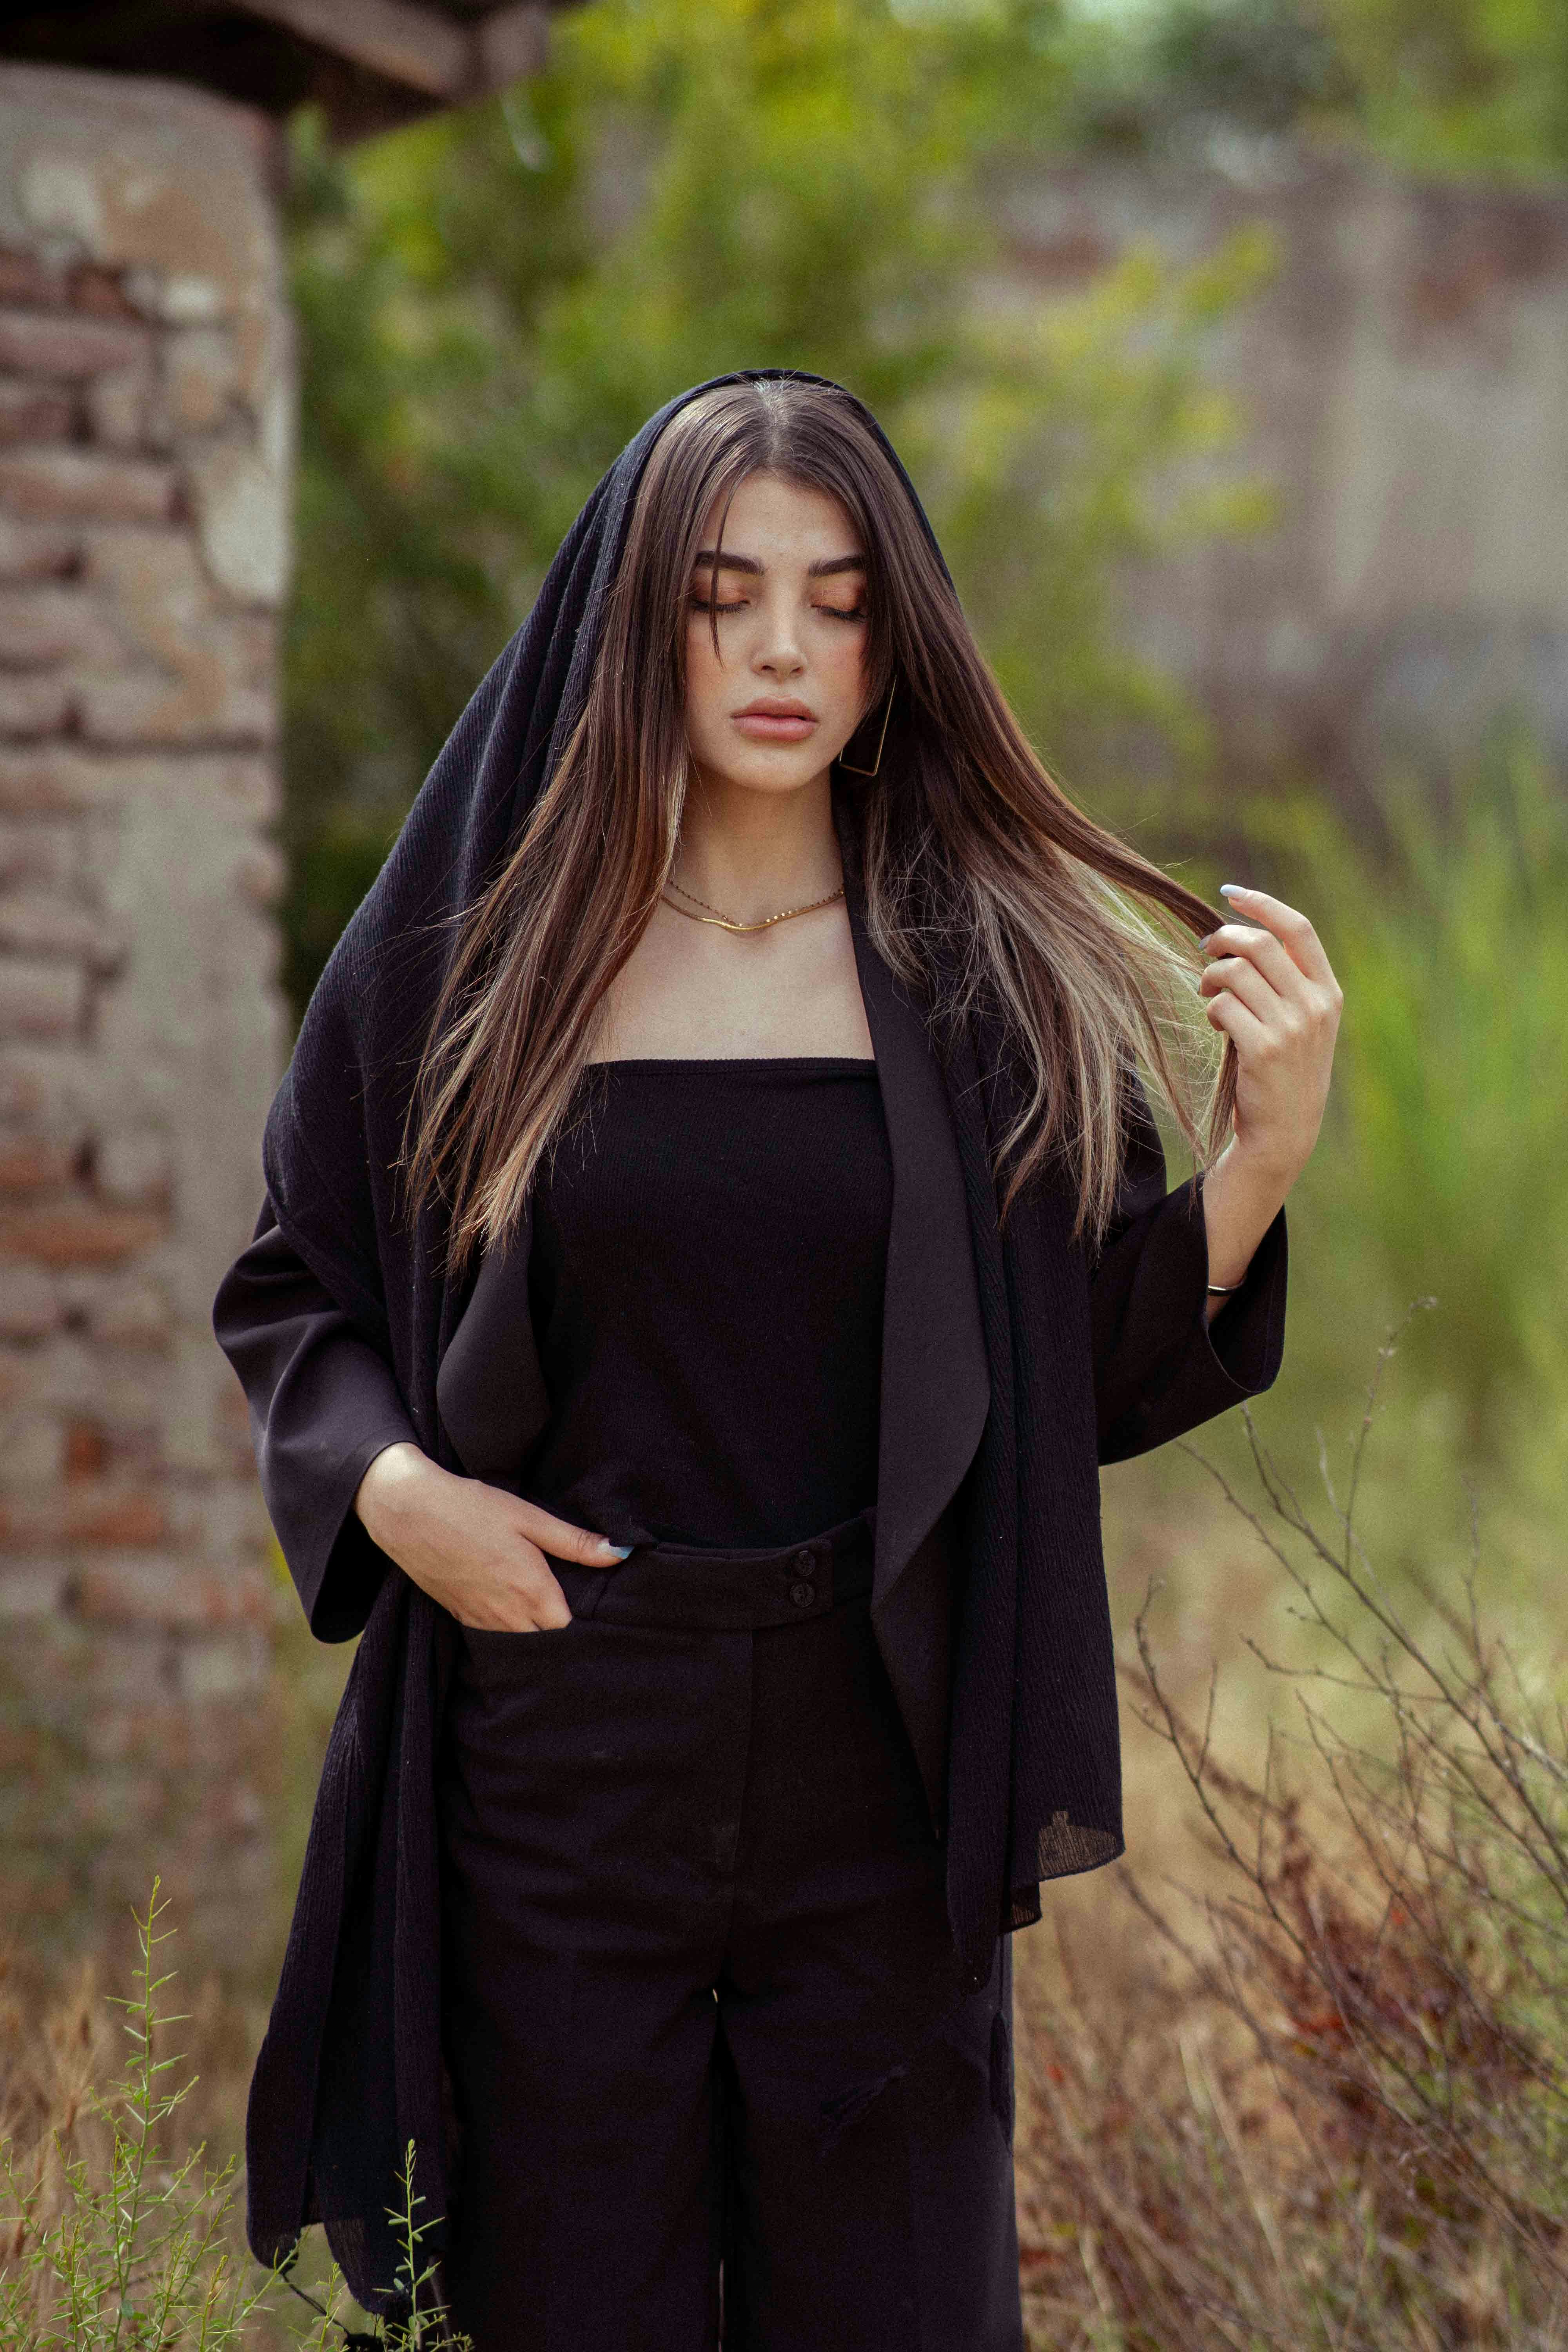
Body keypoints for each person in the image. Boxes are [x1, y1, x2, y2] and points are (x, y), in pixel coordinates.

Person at [214, 370, 1341, 2351]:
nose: (779, 650)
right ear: (636, 617)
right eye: (723, 595)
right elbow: (295, 1285)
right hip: (562, 1741)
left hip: (882, 1750)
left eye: (834, 601)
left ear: (893, 638)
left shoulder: (978, 968)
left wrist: (1259, 1157)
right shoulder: (485, 949)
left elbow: (1058, 1370)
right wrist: (406, 1504)